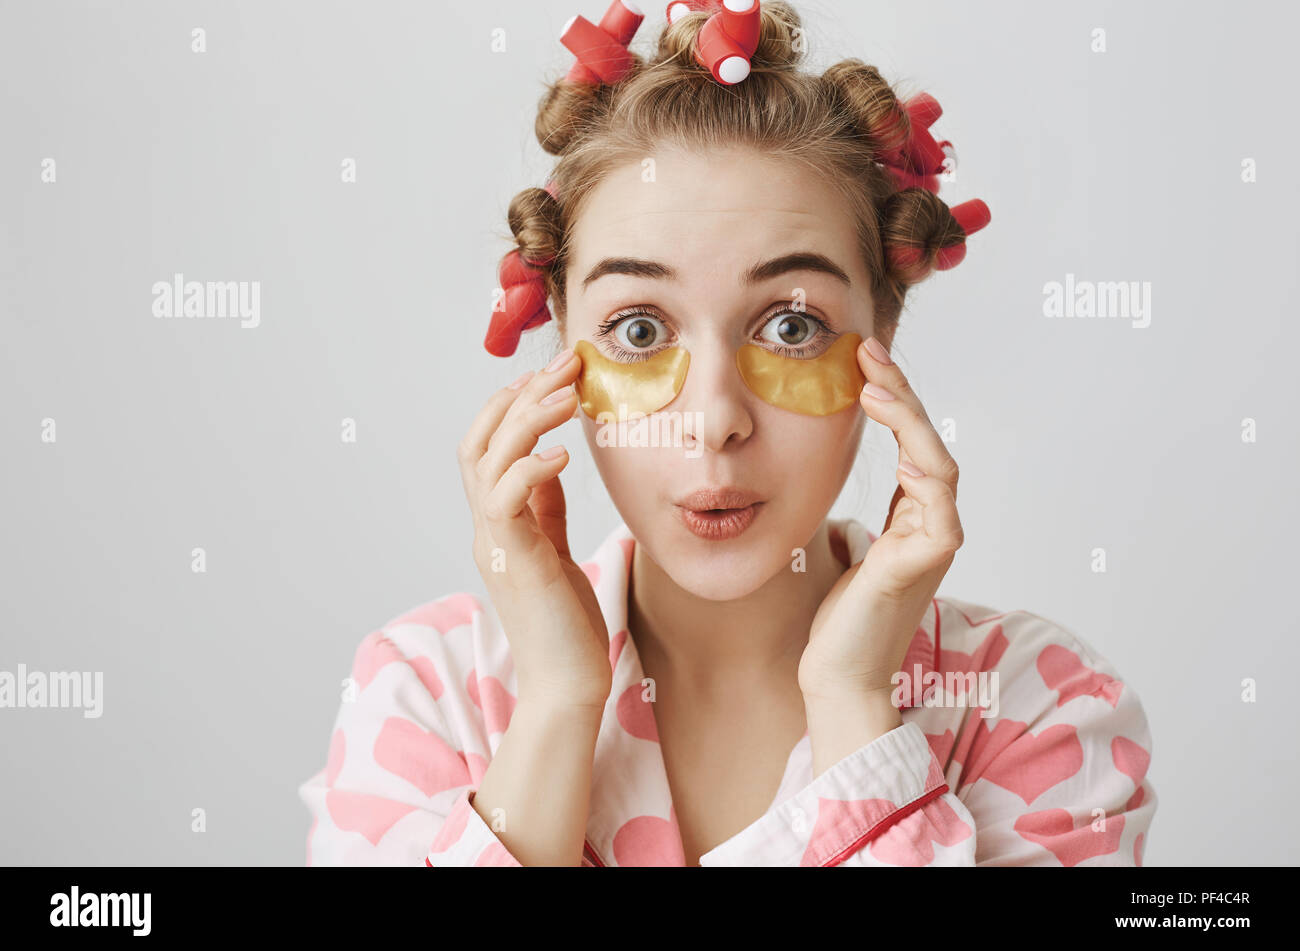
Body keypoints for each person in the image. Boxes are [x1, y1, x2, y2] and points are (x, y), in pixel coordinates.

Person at [299, 0, 1156, 866]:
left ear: (881, 338)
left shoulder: (1035, 707)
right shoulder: (425, 696)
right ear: (564, 345)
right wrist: (558, 702)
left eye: (791, 327)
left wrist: (854, 703)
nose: (713, 422)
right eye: (638, 329)